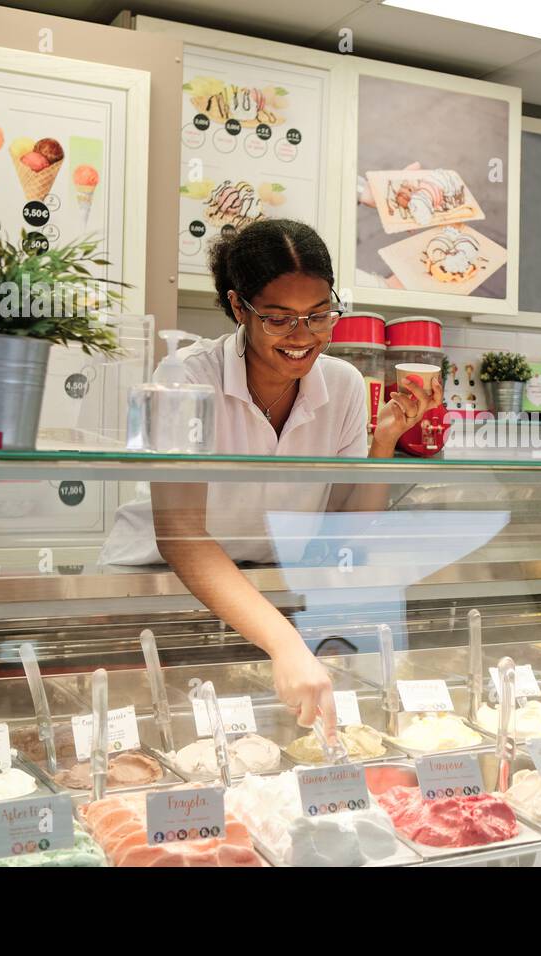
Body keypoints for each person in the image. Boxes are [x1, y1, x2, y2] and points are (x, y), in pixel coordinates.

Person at [100, 218, 442, 735]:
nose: (303, 337)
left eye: (320, 316)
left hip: (268, 599)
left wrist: (383, 442)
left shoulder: (345, 384)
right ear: (239, 308)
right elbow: (181, 535)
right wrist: (286, 644)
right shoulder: (188, 376)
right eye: (280, 320)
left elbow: (344, 533)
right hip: (161, 596)